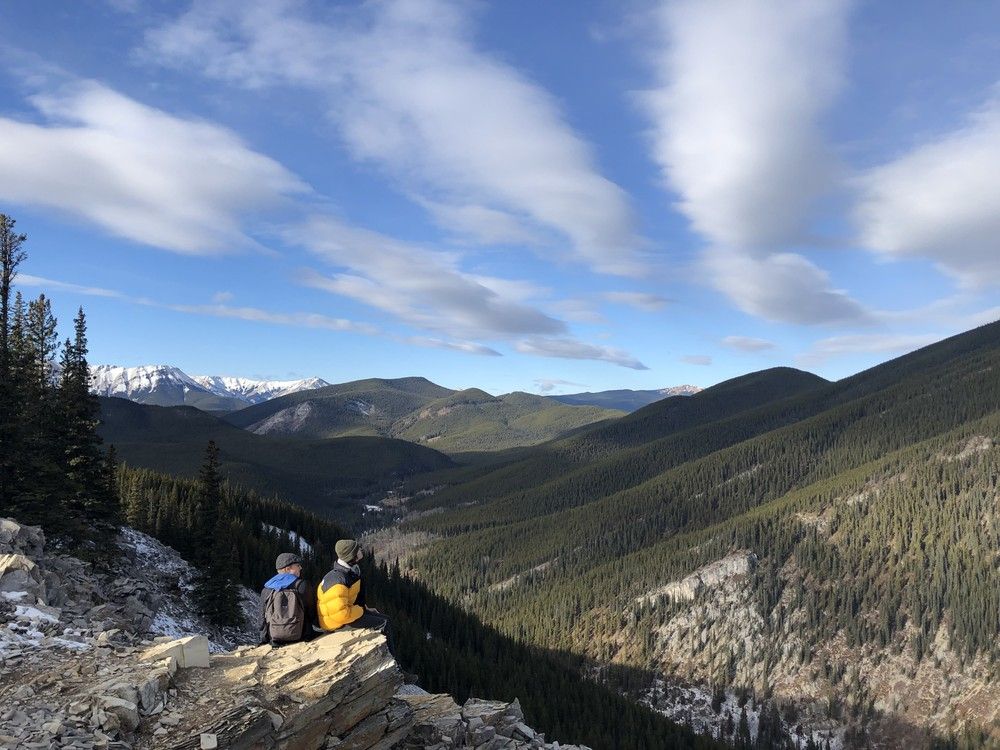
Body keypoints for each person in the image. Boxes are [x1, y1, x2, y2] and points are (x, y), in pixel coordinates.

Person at [317, 539, 395, 657]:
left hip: (344, 615)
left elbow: (350, 599)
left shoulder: (346, 572)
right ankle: (392, 661)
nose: (360, 550)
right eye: (357, 549)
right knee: (384, 623)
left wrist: (365, 608)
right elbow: (341, 614)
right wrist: (361, 610)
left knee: (386, 619)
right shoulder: (338, 580)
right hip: (336, 622)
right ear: (352, 555)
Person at [259, 552, 317, 646]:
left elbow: (262, 618)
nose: (300, 568)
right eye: (297, 565)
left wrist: (264, 638)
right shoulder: (302, 585)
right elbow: (311, 613)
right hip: (302, 635)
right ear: (288, 568)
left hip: (273, 638)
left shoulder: (267, 588)